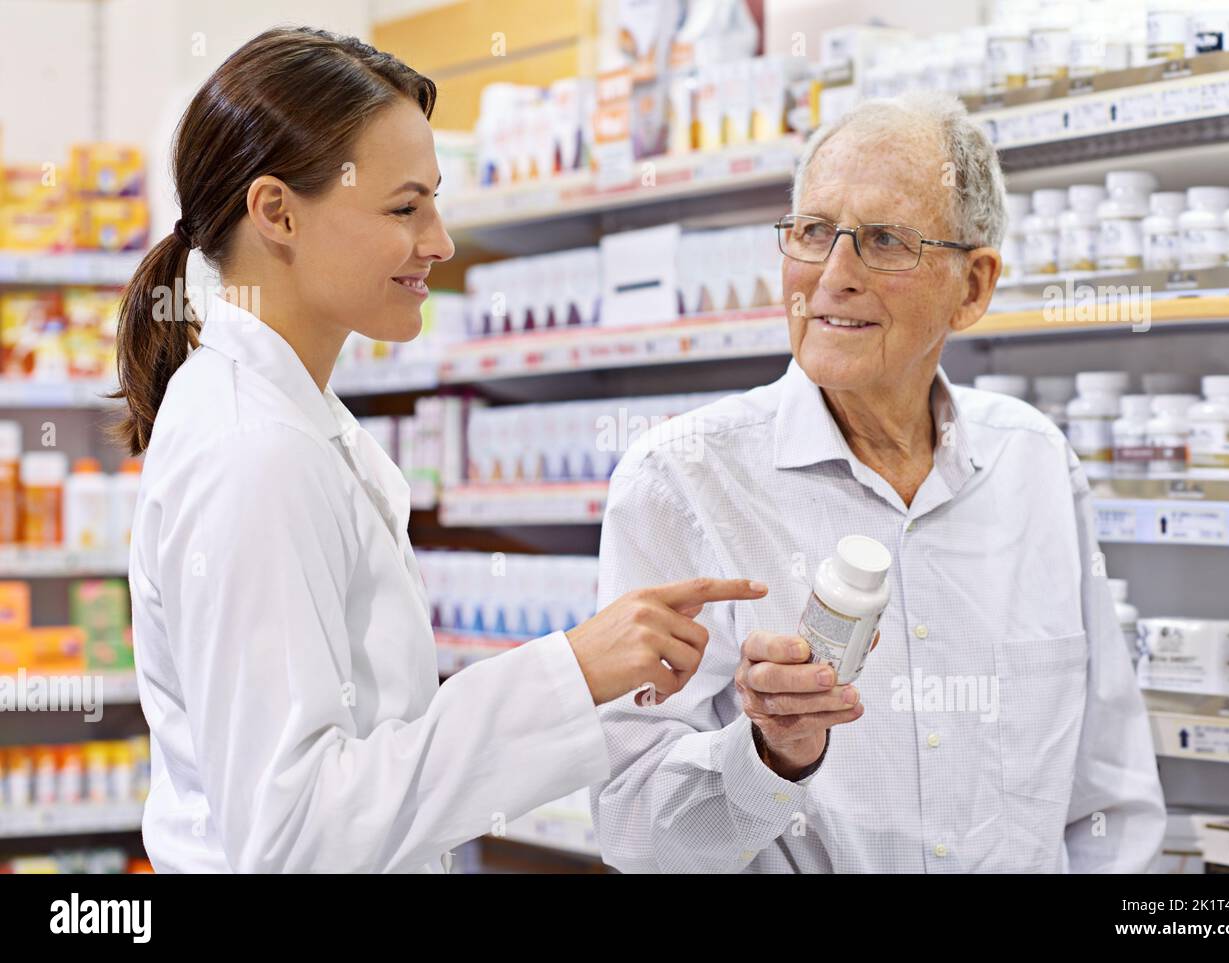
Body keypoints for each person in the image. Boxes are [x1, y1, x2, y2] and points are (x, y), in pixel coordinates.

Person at [116, 26, 767, 873]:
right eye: (404, 207)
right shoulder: (256, 451)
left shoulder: (286, 418)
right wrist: (569, 673)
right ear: (277, 212)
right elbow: (292, 836)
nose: (441, 242)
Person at [590, 91, 1166, 873]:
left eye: (885, 239)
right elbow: (636, 833)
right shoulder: (682, 480)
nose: (834, 275)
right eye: (814, 232)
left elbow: (1110, 789)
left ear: (974, 286)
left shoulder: (1033, 463)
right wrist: (772, 754)